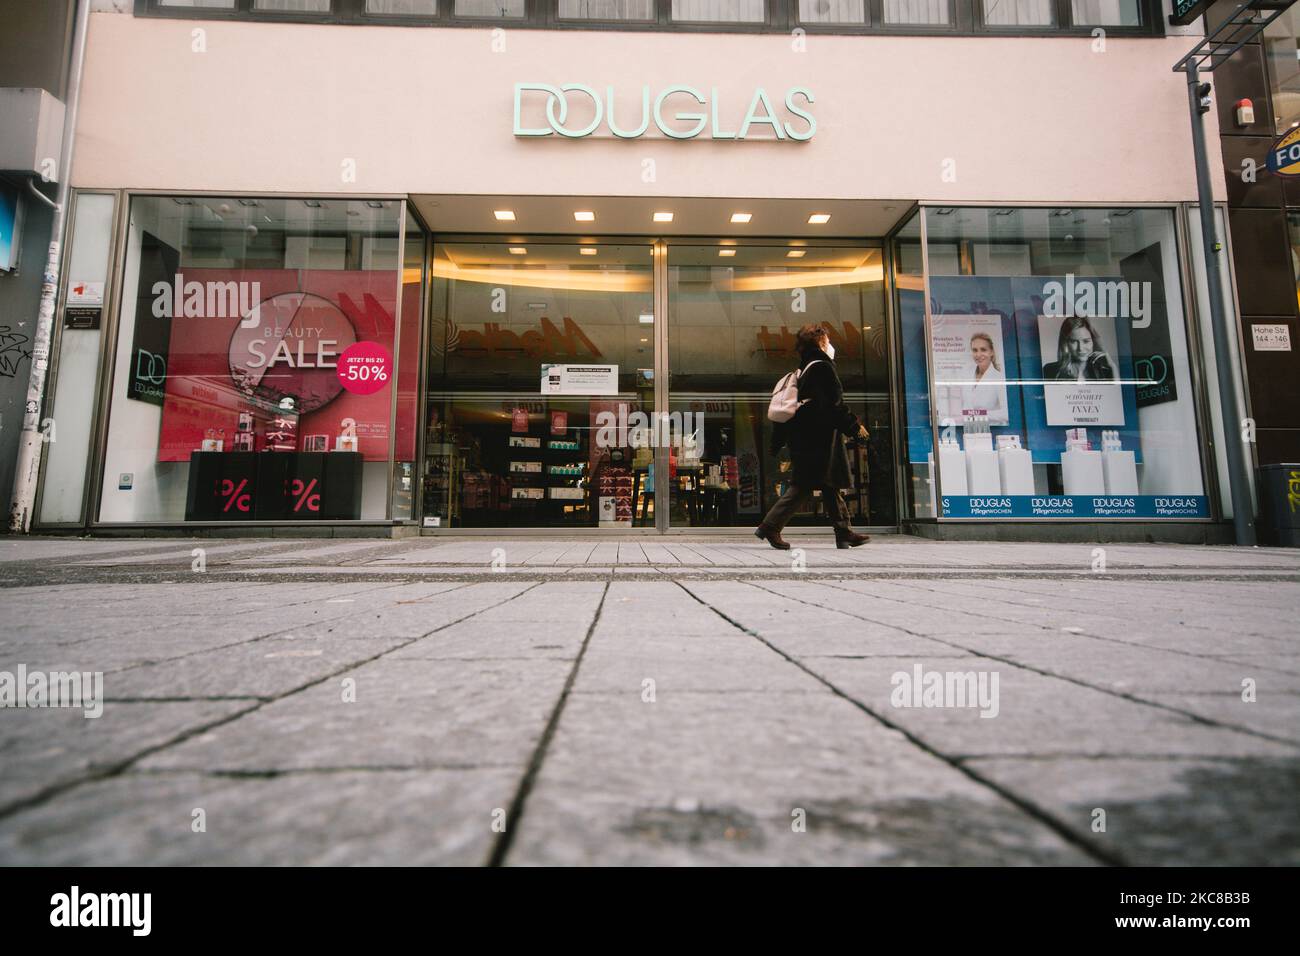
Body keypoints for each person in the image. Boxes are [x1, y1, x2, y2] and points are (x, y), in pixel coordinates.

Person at [755, 325, 870, 550]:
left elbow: (792, 411)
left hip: (808, 440)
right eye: (827, 339)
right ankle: (770, 526)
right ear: (820, 342)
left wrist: (776, 442)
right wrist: (855, 428)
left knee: (829, 484)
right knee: (803, 486)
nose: (830, 344)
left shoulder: (804, 369)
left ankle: (844, 532)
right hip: (818, 442)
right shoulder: (823, 368)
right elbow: (833, 405)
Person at [1043, 317, 1116, 382]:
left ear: (1093, 342)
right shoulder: (1049, 370)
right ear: (1065, 343)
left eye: (1086, 341)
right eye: (1073, 341)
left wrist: (1113, 366)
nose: (1080, 348)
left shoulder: (1105, 372)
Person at [959, 332, 1008, 425]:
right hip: (967, 429)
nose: (978, 354)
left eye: (983, 350)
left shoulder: (999, 378)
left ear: (991, 352)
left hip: (991, 430)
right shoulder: (967, 375)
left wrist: (977, 415)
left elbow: (1006, 413)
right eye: (975, 350)